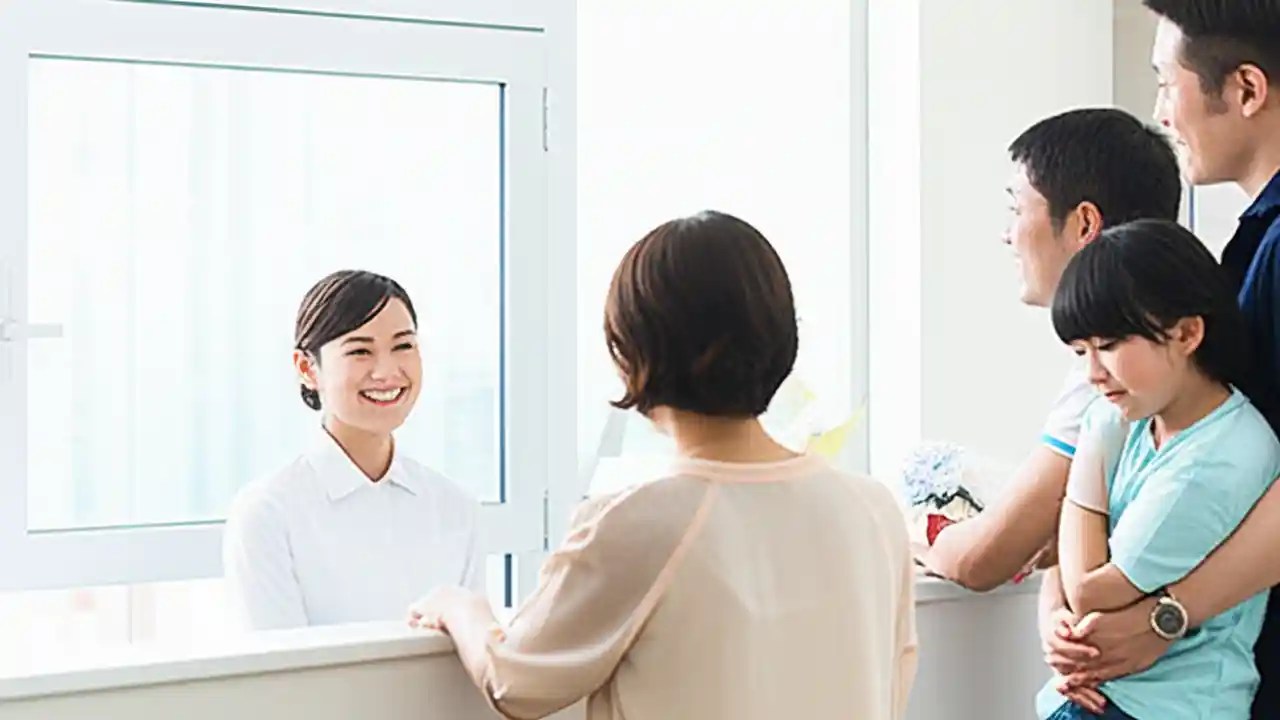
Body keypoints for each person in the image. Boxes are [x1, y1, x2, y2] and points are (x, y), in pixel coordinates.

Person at [407, 211, 917, 719]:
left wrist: (461, 607)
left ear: (632, 349)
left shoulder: (642, 520)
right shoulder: (871, 508)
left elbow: (516, 681)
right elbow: (893, 682)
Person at [1042, 4, 1280, 717]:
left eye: (1164, 84)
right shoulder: (1251, 242)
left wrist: (1162, 618)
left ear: (1245, 89)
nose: (1161, 114)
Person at [921, 108, 1181, 590]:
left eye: (1017, 210)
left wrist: (916, 541)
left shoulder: (1112, 379)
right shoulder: (1168, 340)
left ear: (1085, 224)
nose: (1007, 234)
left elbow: (984, 558)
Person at [1037, 219, 1280, 719]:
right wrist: (1054, 622)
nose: (1093, 373)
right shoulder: (1134, 419)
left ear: (1188, 332)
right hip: (1099, 697)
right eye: (1083, 351)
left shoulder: (1216, 457)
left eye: (1109, 345)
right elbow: (1069, 581)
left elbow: (1090, 591)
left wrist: (1085, 472)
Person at [223, 270, 483, 630]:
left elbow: (471, 666)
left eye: (403, 346)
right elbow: (281, 676)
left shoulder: (455, 508)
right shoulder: (267, 513)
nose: (387, 371)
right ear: (307, 368)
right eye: (360, 351)